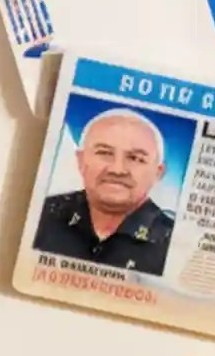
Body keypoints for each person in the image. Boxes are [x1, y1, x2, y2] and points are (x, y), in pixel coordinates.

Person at [34, 107, 175, 275]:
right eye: (104, 153)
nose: (117, 169)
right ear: (80, 161)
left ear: (158, 173)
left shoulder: (175, 246)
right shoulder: (40, 215)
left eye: (135, 158)